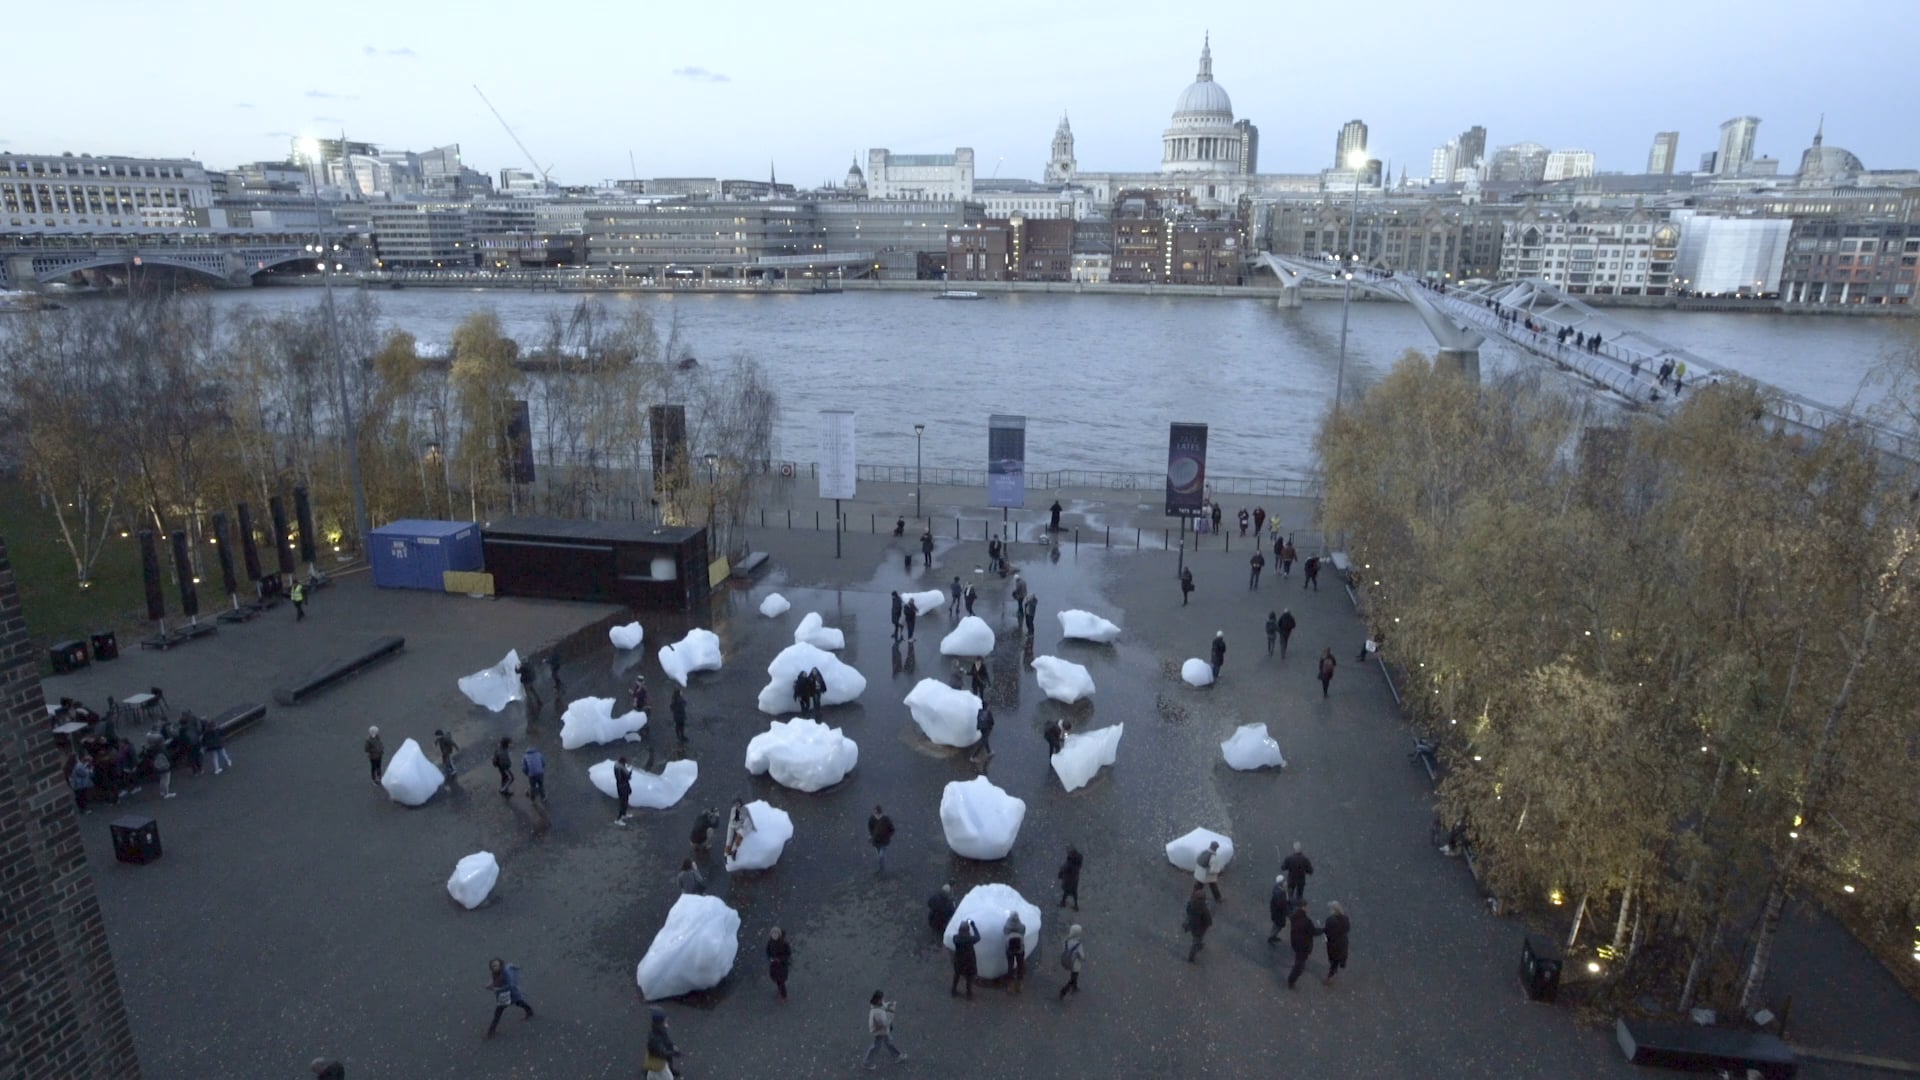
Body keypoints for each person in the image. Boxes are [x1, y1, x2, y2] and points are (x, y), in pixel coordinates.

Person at [483, 957, 534, 1037]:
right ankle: (491, 1031)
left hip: (511, 994)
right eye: (493, 966)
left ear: (500, 965)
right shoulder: (495, 973)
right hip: (504, 995)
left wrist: (497, 989)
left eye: (496, 965)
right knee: (500, 1012)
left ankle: (491, 1032)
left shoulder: (505, 973)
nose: (494, 967)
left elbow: (510, 985)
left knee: (517, 1003)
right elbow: (497, 980)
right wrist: (491, 985)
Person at [864, 990, 907, 1069]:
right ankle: (867, 1062)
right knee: (876, 1046)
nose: (883, 999)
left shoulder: (876, 1006)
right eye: (882, 998)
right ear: (879, 999)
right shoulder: (878, 1013)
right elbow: (885, 1023)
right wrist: (891, 1011)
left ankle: (897, 1056)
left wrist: (889, 1005)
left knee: (888, 1042)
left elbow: (883, 1006)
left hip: (881, 1030)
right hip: (880, 1031)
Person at [1286, 903, 1322, 989]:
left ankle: (1300, 968)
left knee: (1299, 959)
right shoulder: (1307, 921)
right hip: (1303, 945)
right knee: (1299, 964)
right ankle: (1291, 980)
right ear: (1303, 907)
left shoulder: (1294, 916)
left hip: (1295, 941)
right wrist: (1323, 930)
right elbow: (1314, 932)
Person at [644, 1007, 680, 1080]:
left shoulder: (659, 1029)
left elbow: (666, 1039)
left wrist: (671, 1045)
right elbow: (661, 1052)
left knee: (653, 1074)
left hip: (658, 1060)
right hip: (658, 1062)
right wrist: (673, 1053)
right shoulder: (654, 1038)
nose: (667, 1020)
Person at [950, 919, 980, 997]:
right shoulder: (970, 939)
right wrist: (973, 925)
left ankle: (953, 990)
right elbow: (978, 937)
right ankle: (968, 994)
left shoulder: (955, 938)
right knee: (969, 977)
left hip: (958, 960)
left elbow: (956, 936)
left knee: (957, 975)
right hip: (969, 961)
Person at [1323, 901, 1352, 983]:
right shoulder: (1345, 918)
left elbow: (1327, 931)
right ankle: (1340, 964)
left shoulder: (1330, 920)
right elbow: (1348, 928)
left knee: (1333, 958)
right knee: (1340, 955)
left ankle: (1330, 975)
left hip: (1333, 942)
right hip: (1342, 941)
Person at [1184, 883, 1213, 962]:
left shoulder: (1191, 903)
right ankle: (1191, 956)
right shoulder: (1203, 909)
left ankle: (1198, 945)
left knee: (1196, 937)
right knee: (1197, 940)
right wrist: (1209, 923)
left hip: (1192, 924)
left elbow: (1187, 910)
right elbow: (1207, 918)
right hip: (1200, 928)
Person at [1266, 874, 1295, 945]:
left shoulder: (1279, 890)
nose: (1286, 883)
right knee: (1278, 926)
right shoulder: (1280, 894)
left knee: (1276, 925)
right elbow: (1283, 905)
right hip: (1279, 914)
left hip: (1277, 913)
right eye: (1284, 881)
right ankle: (1271, 937)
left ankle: (1272, 936)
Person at [1058, 924, 1085, 999]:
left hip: (1067, 959)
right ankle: (1064, 991)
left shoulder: (1066, 940)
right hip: (1075, 963)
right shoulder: (1078, 944)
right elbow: (1081, 955)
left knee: (1074, 976)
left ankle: (1075, 986)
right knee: (1074, 976)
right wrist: (1083, 958)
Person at [1003, 911, 1028, 993]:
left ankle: (1009, 984)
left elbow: (1005, 934)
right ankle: (1019, 985)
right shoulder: (1022, 926)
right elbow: (1023, 933)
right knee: (1020, 965)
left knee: (1010, 966)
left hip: (1009, 949)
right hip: (1020, 949)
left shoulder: (1007, 926)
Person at [867, 804, 895, 874]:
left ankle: (881, 868)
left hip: (883, 840)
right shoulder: (872, 819)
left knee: (881, 856)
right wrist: (871, 835)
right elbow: (870, 828)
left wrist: (887, 835)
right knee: (879, 854)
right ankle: (881, 867)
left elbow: (891, 829)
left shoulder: (886, 819)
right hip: (876, 840)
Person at [766, 927, 792, 1000]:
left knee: (781, 982)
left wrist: (780, 959)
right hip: (774, 966)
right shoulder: (770, 942)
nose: (774, 935)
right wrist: (770, 958)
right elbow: (767, 951)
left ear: (779, 935)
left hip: (781, 966)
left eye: (776, 934)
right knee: (777, 980)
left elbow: (788, 954)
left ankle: (784, 996)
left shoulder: (784, 944)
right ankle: (779, 989)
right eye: (773, 934)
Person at [1058, 844, 1083, 910]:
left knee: (1067, 891)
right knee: (1074, 891)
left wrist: (1061, 872)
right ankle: (1075, 905)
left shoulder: (1070, 863)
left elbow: (1065, 868)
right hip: (1075, 879)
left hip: (1069, 879)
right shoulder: (1079, 857)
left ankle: (1063, 902)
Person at [613, 757, 634, 826]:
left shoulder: (618, 767)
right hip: (623, 787)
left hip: (622, 786)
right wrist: (630, 772)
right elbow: (627, 777)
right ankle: (618, 819)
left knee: (625, 800)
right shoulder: (621, 768)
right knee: (623, 802)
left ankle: (624, 814)